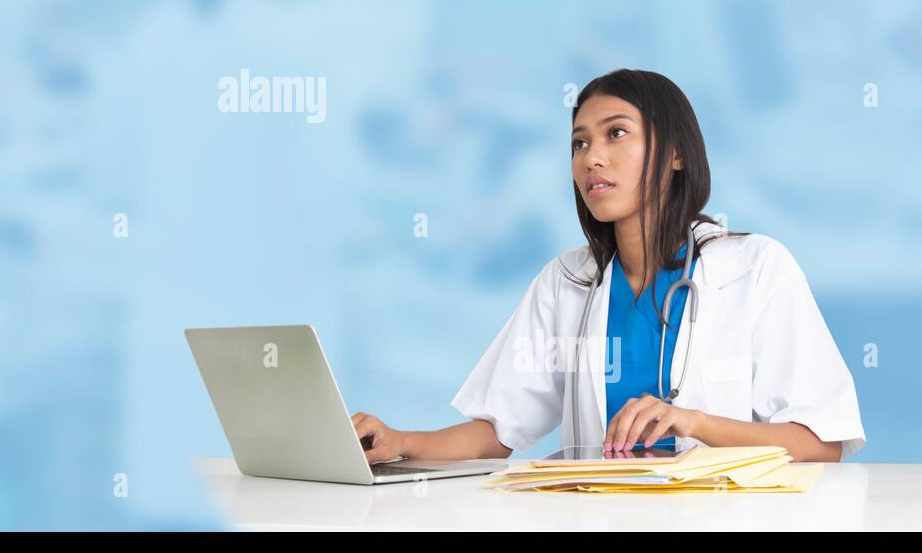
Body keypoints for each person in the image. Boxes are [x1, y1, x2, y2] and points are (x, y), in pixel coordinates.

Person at [351, 69, 866, 464]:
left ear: (676, 155)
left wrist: (694, 423)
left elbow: (821, 443)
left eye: (615, 134)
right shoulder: (567, 283)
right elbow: (497, 431)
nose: (592, 158)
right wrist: (399, 441)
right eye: (579, 143)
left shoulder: (755, 270)